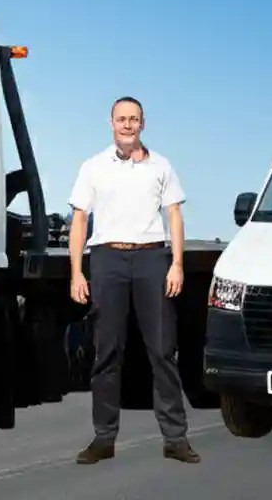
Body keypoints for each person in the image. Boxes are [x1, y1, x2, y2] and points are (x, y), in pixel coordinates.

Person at [67, 96, 200, 465]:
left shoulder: (161, 166)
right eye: (122, 119)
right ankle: (103, 438)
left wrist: (177, 264)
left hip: (151, 259)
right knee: (106, 352)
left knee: (162, 351)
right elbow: (80, 218)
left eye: (134, 119)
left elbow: (174, 215)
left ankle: (176, 439)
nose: (128, 125)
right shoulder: (94, 166)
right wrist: (77, 272)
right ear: (111, 123)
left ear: (143, 124)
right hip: (108, 258)